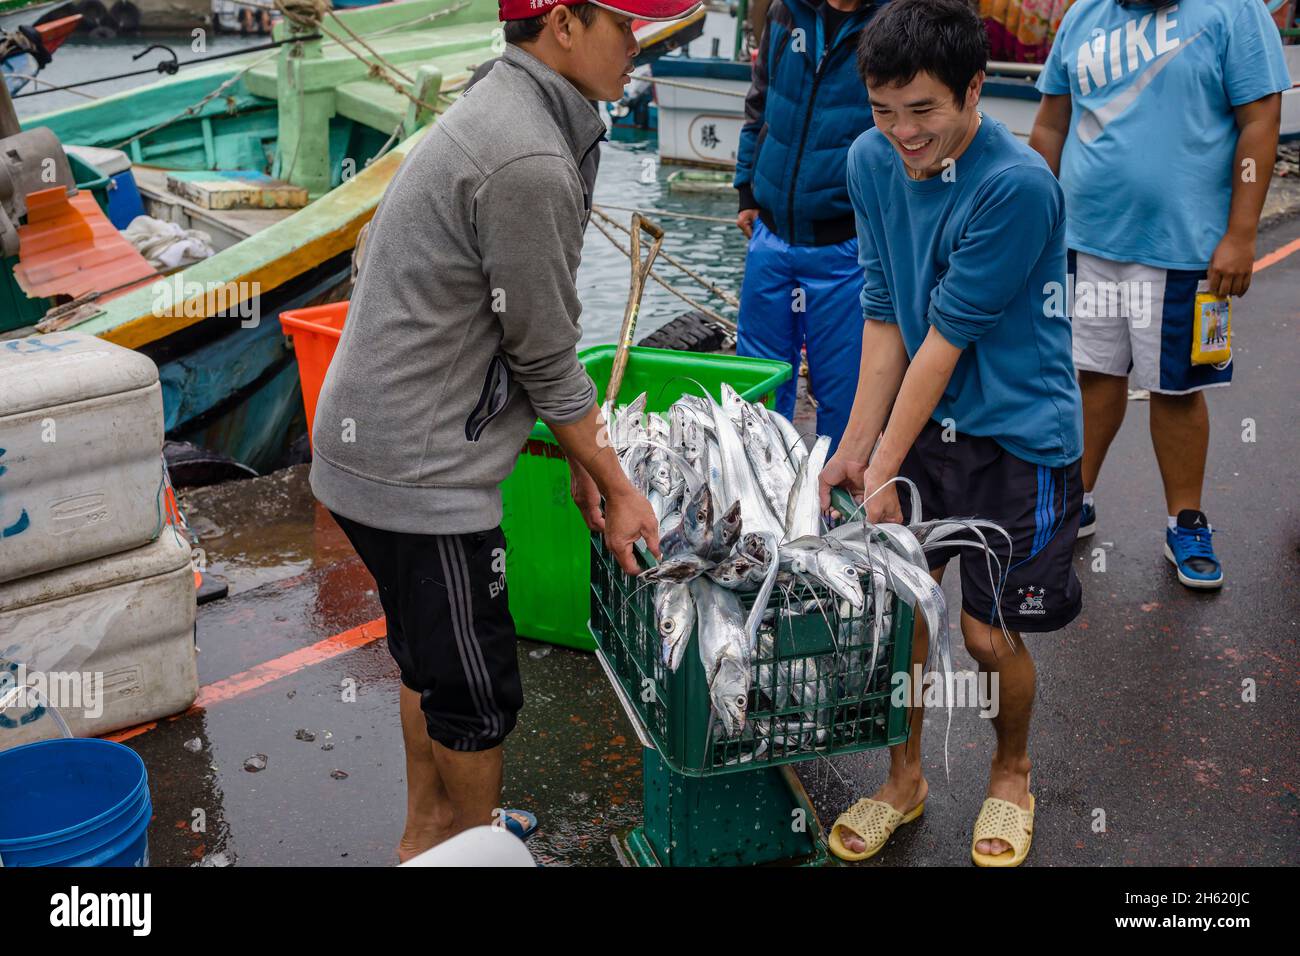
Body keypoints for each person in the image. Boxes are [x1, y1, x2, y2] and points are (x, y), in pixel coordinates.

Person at [308, 0, 697, 862]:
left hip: (370, 449)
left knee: (426, 661)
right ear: (562, 22)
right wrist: (620, 484)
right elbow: (545, 352)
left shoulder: (508, 101)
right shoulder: (526, 157)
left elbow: (525, 341)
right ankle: (477, 846)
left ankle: (429, 837)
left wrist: (580, 458)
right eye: (627, 26)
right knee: (476, 691)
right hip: (422, 473)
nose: (640, 45)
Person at [818, 0, 1084, 866]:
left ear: (975, 90)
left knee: (986, 632)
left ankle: (1011, 772)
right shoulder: (868, 160)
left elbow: (945, 339)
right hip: (924, 431)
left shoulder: (1018, 185)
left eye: (923, 110)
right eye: (884, 110)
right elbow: (886, 311)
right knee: (906, 617)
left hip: (1018, 437)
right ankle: (905, 779)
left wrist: (881, 465)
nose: (903, 133)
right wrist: (857, 449)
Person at [1029, 0, 1289, 590]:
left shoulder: (1233, 12)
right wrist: (1037, 222)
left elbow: (1260, 122)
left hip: (1184, 250)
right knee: (1091, 377)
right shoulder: (1083, 15)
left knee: (1176, 390)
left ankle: (1186, 521)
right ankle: (1076, 502)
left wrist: (1242, 233)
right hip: (1085, 241)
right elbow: (1050, 124)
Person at [733, 0, 886, 451]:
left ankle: (836, 507)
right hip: (771, 236)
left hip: (845, 247)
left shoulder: (890, 24)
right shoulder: (786, 12)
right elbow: (759, 101)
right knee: (758, 386)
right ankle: (760, 498)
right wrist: (746, 186)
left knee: (843, 392)